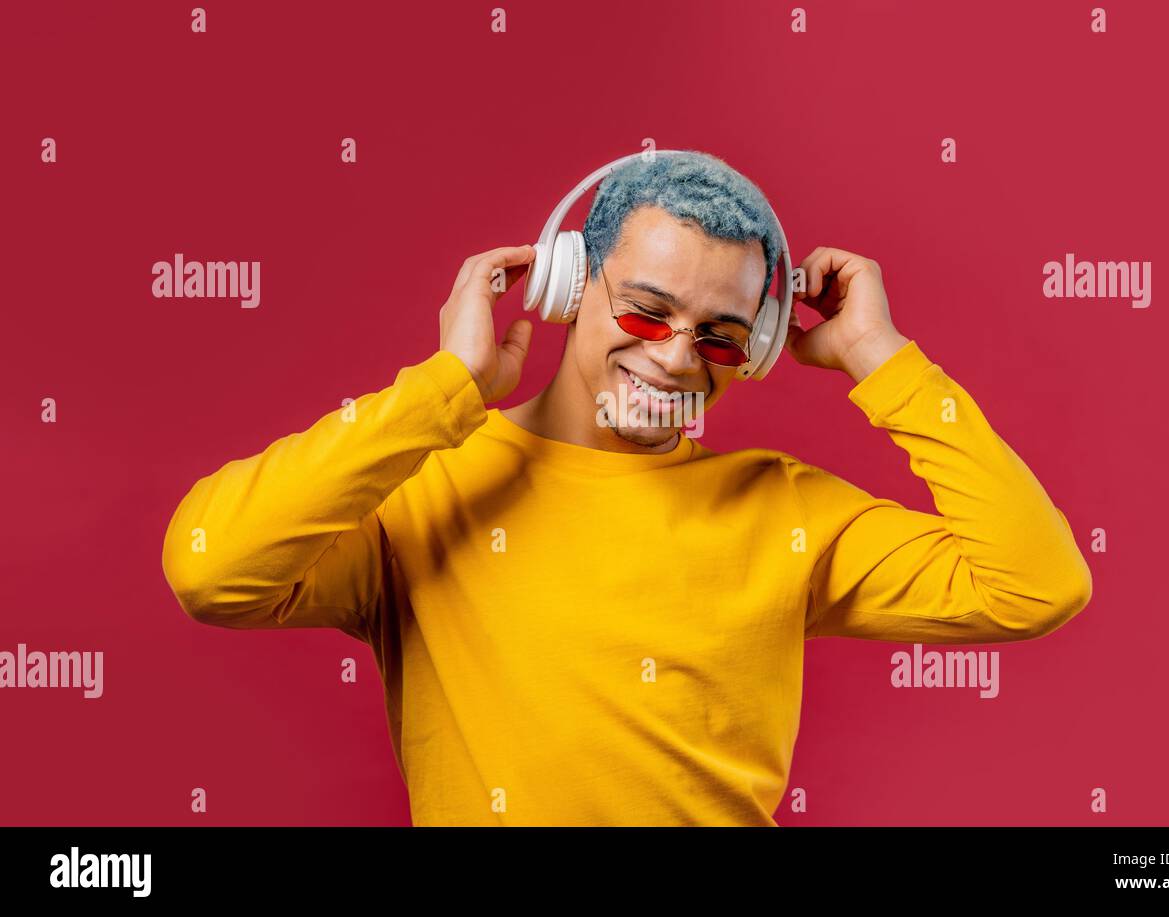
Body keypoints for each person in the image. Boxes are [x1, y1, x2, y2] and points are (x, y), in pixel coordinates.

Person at [161, 150, 1092, 826]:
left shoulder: (788, 510)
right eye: (646, 311)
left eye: (722, 334)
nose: (678, 358)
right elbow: (212, 568)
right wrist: (442, 390)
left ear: (759, 350)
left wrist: (879, 359)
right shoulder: (428, 487)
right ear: (569, 287)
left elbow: (1036, 584)